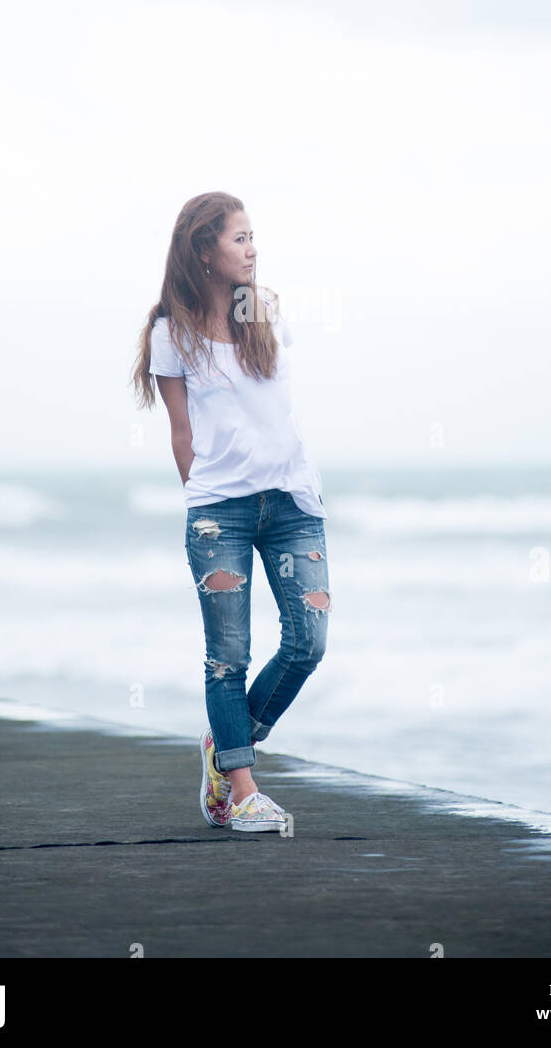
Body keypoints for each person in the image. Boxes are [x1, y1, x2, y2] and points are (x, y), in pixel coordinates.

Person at [130, 191, 331, 834]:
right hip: (221, 510)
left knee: (308, 642)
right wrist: (204, 502)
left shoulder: (265, 310)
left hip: (294, 501)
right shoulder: (171, 331)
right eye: (239, 238)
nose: (252, 248)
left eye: (252, 237)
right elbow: (181, 432)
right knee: (228, 654)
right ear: (203, 251)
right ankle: (241, 791)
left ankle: (226, 744)